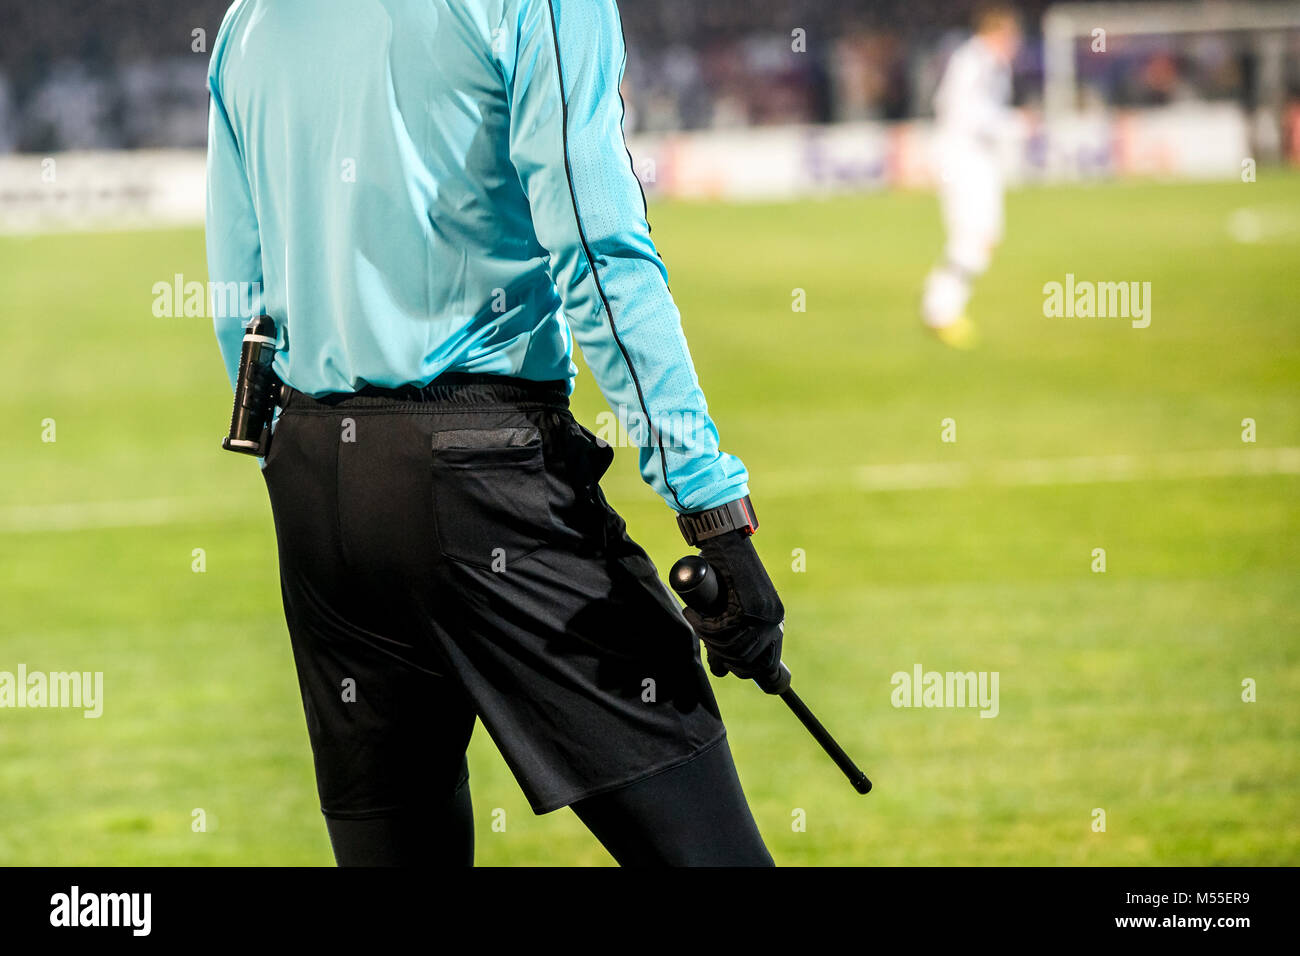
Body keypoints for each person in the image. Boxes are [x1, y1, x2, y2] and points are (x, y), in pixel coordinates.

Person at [205, 0, 785, 866]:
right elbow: (597, 250)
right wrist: (706, 504)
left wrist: (302, 456)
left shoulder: (250, 18)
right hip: (482, 473)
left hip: (320, 487)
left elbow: (237, 299)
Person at [921, 4, 1022, 349]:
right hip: (962, 159)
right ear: (998, 33)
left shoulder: (993, 65)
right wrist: (1012, 124)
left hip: (979, 160)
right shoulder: (972, 61)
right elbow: (959, 110)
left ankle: (941, 308)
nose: (1016, 44)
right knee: (973, 237)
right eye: (1012, 36)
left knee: (986, 237)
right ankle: (940, 310)